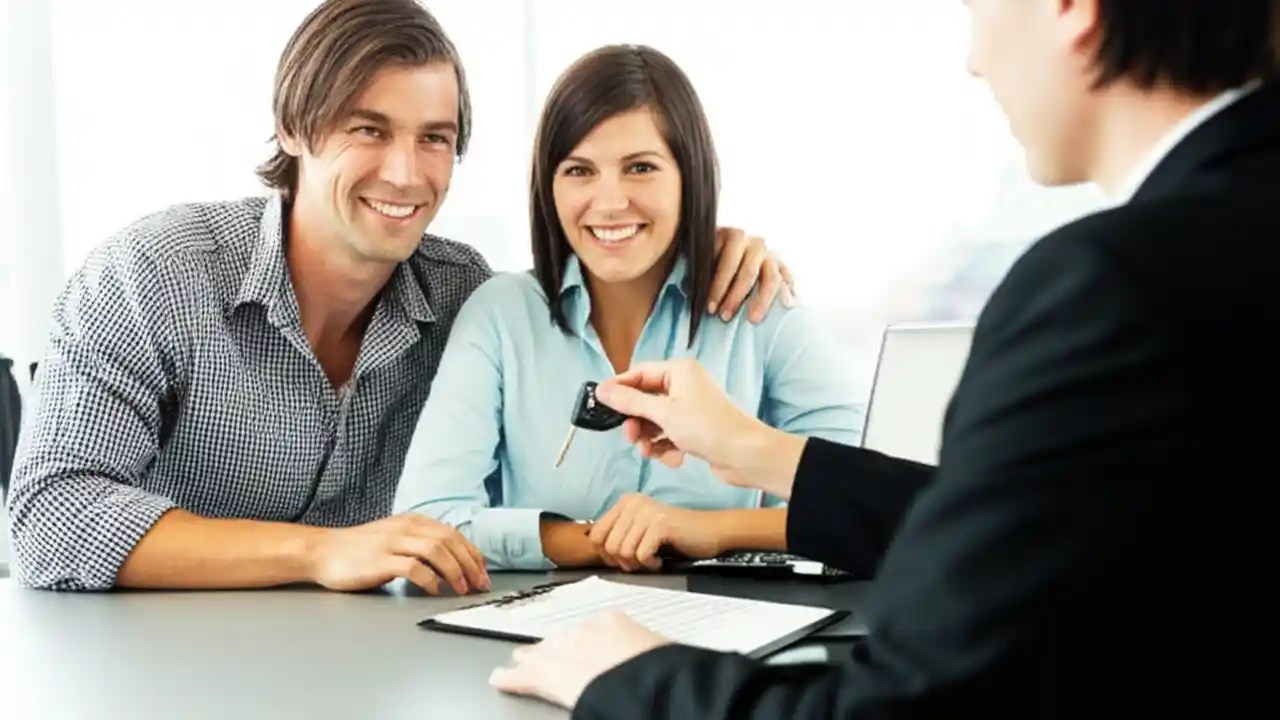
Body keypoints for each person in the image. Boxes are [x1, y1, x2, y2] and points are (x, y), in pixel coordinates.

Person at [489, 0, 1280, 716]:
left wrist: (635, 678)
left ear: (1070, 8)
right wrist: (759, 453)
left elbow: (908, 705)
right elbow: (1018, 531)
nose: (976, 59)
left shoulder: (1109, 287)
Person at [6, 0, 792, 593]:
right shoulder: (152, 275)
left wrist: (701, 243)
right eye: (369, 130)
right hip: (152, 666)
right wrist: (316, 550)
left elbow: (598, 253)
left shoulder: (462, 296)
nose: (407, 174)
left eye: (435, 139)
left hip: (378, 664)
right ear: (292, 126)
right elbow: (50, 517)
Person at [393, 45, 863, 572]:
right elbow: (425, 521)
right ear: (548, 187)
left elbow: (860, 504)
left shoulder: (759, 307)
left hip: (723, 628)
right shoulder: (501, 315)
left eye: (640, 168)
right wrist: (597, 541)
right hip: (539, 633)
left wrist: (703, 531)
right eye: (579, 171)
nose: (610, 201)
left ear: (691, 176)